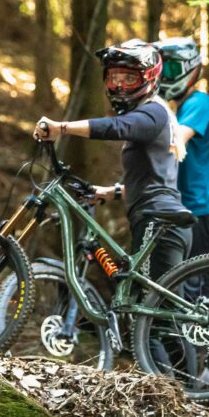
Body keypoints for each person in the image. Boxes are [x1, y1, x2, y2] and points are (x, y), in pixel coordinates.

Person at [32, 39, 192, 368]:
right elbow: (155, 175)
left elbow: (117, 127)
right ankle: (177, 386)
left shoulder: (154, 111)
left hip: (159, 222)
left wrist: (63, 128)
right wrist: (112, 192)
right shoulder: (153, 113)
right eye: (113, 78)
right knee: (154, 317)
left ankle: (182, 388)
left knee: (154, 319)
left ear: (149, 77)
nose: (119, 85)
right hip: (153, 217)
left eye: (128, 78)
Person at [155, 36, 209, 295]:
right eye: (161, 70)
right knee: (182, 287)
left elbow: (176, 140)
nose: (165, 77)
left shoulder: (199, 103)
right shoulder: (181, 110)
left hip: (206, 207)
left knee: (197, 288)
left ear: (190, 69)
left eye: (171, 69)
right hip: (191, 208)